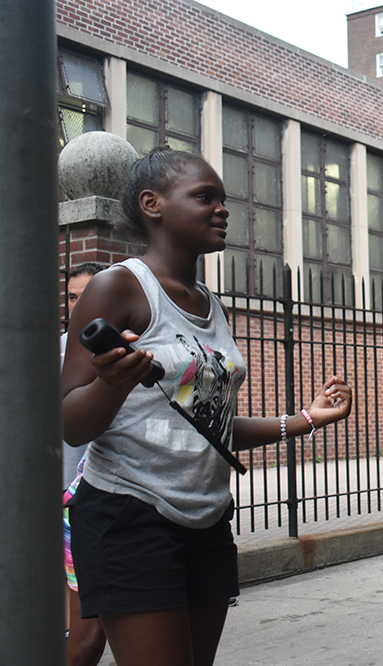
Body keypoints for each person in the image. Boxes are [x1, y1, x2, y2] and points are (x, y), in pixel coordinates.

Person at [61, 147, 353, 666]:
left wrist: (308, 418)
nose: (222, 209)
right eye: (205, 197)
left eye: (223, 199)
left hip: (207, 518)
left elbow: (209, 425)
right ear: (153, 204)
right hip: (129, 514)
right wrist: (112, 384)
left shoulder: (208, 301)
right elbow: (69, 421)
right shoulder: (119, 286)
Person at [61, 262, 109, 666]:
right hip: (65, 499)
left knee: (88, 623)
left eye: (87, 296)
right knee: (84, 625)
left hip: (98, 498)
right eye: (73, 298)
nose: (79, 306)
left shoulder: (123, 348)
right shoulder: (54, 350)